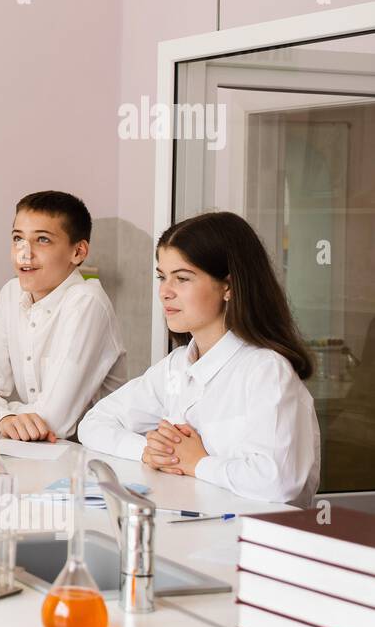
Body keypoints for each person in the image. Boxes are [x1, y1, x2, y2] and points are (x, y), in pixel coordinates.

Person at [78, 211, 319, 507]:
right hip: (196, 531)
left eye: (182, 278)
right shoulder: (178, 365)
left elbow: (279, 482)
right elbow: (94, 424)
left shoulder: (265, 370)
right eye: (162, 277)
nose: (165, 292)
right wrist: (150, 450)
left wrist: (198, 462)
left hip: (254, 543)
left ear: (228, 286)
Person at [0, 191, 126, 441]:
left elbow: (54, 421)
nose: (25, 253)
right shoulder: (11, 294)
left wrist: (2, 413)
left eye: (42, 240)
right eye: (17, 238)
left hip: (91, 457)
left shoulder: (87, 302)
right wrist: (4, 418)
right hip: (40, 452)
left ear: (78, 252)